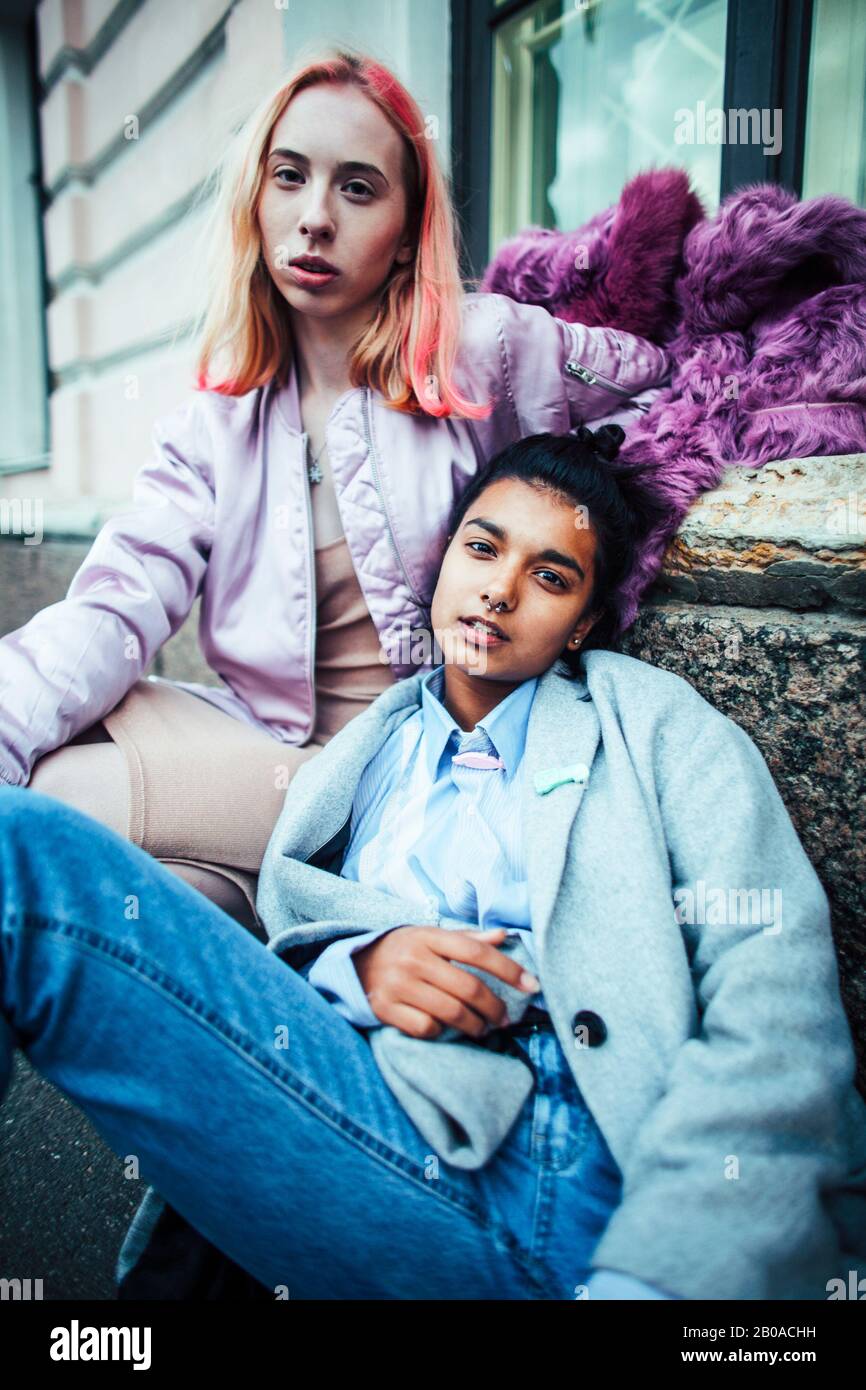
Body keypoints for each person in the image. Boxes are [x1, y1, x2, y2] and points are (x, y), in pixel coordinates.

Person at [1, 426, 864, 1302]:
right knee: (18, 848)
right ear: (443, 560)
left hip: (595, 1166)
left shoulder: (654, 726)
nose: (500, 589)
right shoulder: (367, 752)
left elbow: (775, 997)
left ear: (584, 625)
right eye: (482, 548)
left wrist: (669, 1271)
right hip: (376, 1123)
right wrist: (358, 964)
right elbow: (292, 931)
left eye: (551, 577)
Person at [0, 45, 670, 934]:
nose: (315, 218)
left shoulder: (486, 351)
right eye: (290, 177)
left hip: (399, 755)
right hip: (261, 743)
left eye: (358, 188)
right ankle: (270, 909)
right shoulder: (215, 422)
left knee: (54, 805)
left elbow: (664, 387)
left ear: (408, 233)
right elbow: (113, 606)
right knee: (98, 845)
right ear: (256, 199)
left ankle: (284, 897)